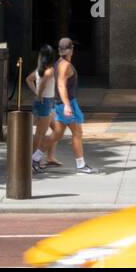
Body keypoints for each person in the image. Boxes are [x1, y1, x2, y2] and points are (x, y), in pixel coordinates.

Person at [48, 37, 95, 174]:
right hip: (65, 104)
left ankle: (34, 157)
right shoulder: (65, 65)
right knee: (77, 132)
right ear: (71, 50)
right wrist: (67, 106)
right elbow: (61, 85)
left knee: (57, 135)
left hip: (63, 103)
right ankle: (81, 165)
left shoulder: (59, 63)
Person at [26, 44, 57, 174]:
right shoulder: (49, 71)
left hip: (48, 102)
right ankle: (33, 161)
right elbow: (43, 83)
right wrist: (39, 95)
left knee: (57, 130)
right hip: (45, 102)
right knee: (40, 133)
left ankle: (49, 157)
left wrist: (37, 93)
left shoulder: (39, 70)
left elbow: (28, 79)